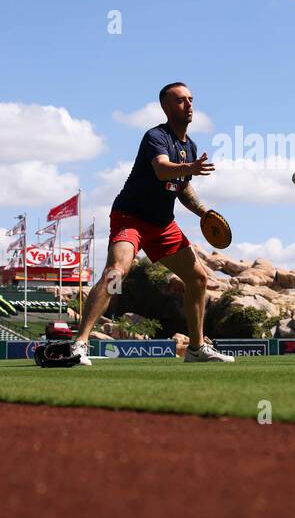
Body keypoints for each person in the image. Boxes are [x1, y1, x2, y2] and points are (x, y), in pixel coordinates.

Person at [69, 82, 233, 365]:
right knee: (115, 273)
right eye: (181, 100)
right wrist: (190, 168)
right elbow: (161, 170)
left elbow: (181, 188)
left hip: (162, 224)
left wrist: (203, 212)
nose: (189, 104)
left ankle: (195, 348)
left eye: (191, 99)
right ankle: (80, 344)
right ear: (166, 107)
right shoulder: (156, 136)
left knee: (198, 278)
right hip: (130, 217)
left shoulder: (190, 147)